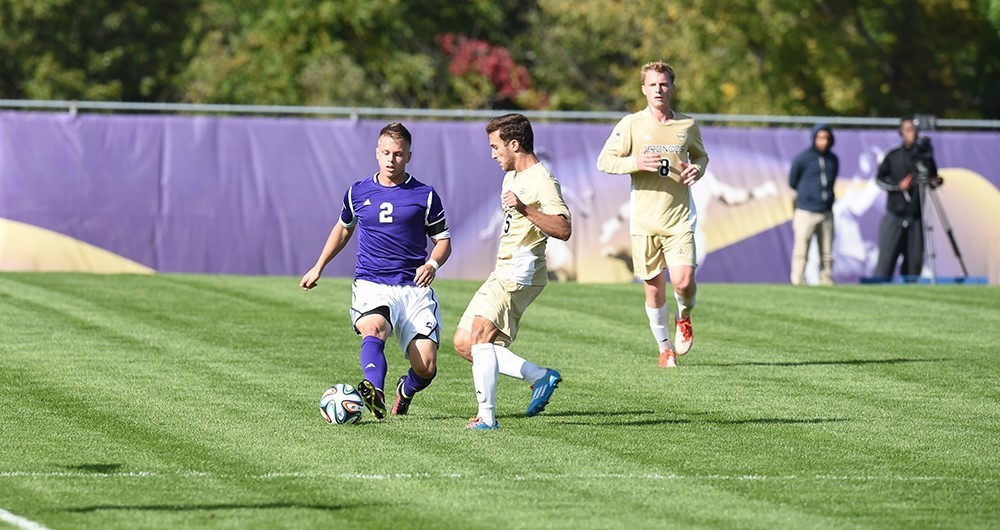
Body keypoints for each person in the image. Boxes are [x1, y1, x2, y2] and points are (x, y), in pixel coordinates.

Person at [300, 122, 451, 420]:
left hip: (413, 288)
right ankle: (374, 391)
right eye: (386, 153)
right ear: (376, 153)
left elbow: (443, 241)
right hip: (372, 282)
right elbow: (343, 230)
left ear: (409, 156)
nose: (391, 160)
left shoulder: (426, 195)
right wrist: (319, 267)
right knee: (374, 328)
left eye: (398, 154)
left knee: (426, 367)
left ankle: (405, 391)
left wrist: (432, 263)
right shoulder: (357, 192)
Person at [453, 113, 572, 430]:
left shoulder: (542, 181)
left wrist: (525, 208)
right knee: (465, 342)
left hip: (519, 271)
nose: (493, 154)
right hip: (502, 269)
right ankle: (539, 376)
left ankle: (486, 417)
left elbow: (563, 228)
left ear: (514, 144)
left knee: (480, 336)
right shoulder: (512, 177)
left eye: (496, 147)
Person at [596, 60, 709, 369]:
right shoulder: (631, 124)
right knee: (653, 288)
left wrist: (696, 169)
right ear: (643, 89)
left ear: (672, 87)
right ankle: (665, 348)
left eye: (664, 84)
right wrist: (635, 162)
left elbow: (700, 155)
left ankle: (683, 315)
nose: (659, 89)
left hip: (679, 220)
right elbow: (604, 161)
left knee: (684, 281)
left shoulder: (687, 125)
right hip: (645, 223)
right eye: (653, 84)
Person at [872, 116, 942, 280]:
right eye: (909, 130)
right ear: (901, 133)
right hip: (895, 216)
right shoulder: (893, 155)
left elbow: (932, 178)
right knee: (886, 262)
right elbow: (879, 180)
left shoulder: (924, 157)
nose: (913, 133)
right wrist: (898, 186)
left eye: (915, 130)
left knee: (914, 263)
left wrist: (935, 181)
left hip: (916, 218)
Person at [788, 124, 838, 286]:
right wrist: (808, 196)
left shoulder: (833, 160)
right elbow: (793, 181)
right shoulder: (803, 158)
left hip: (826, 212)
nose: (823, 142)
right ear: (814, 138)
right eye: (820, 138)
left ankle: (826, 279)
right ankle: (797, 279)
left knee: (827, 252)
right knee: (801, 249)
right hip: (806, 211)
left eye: (826, 138)